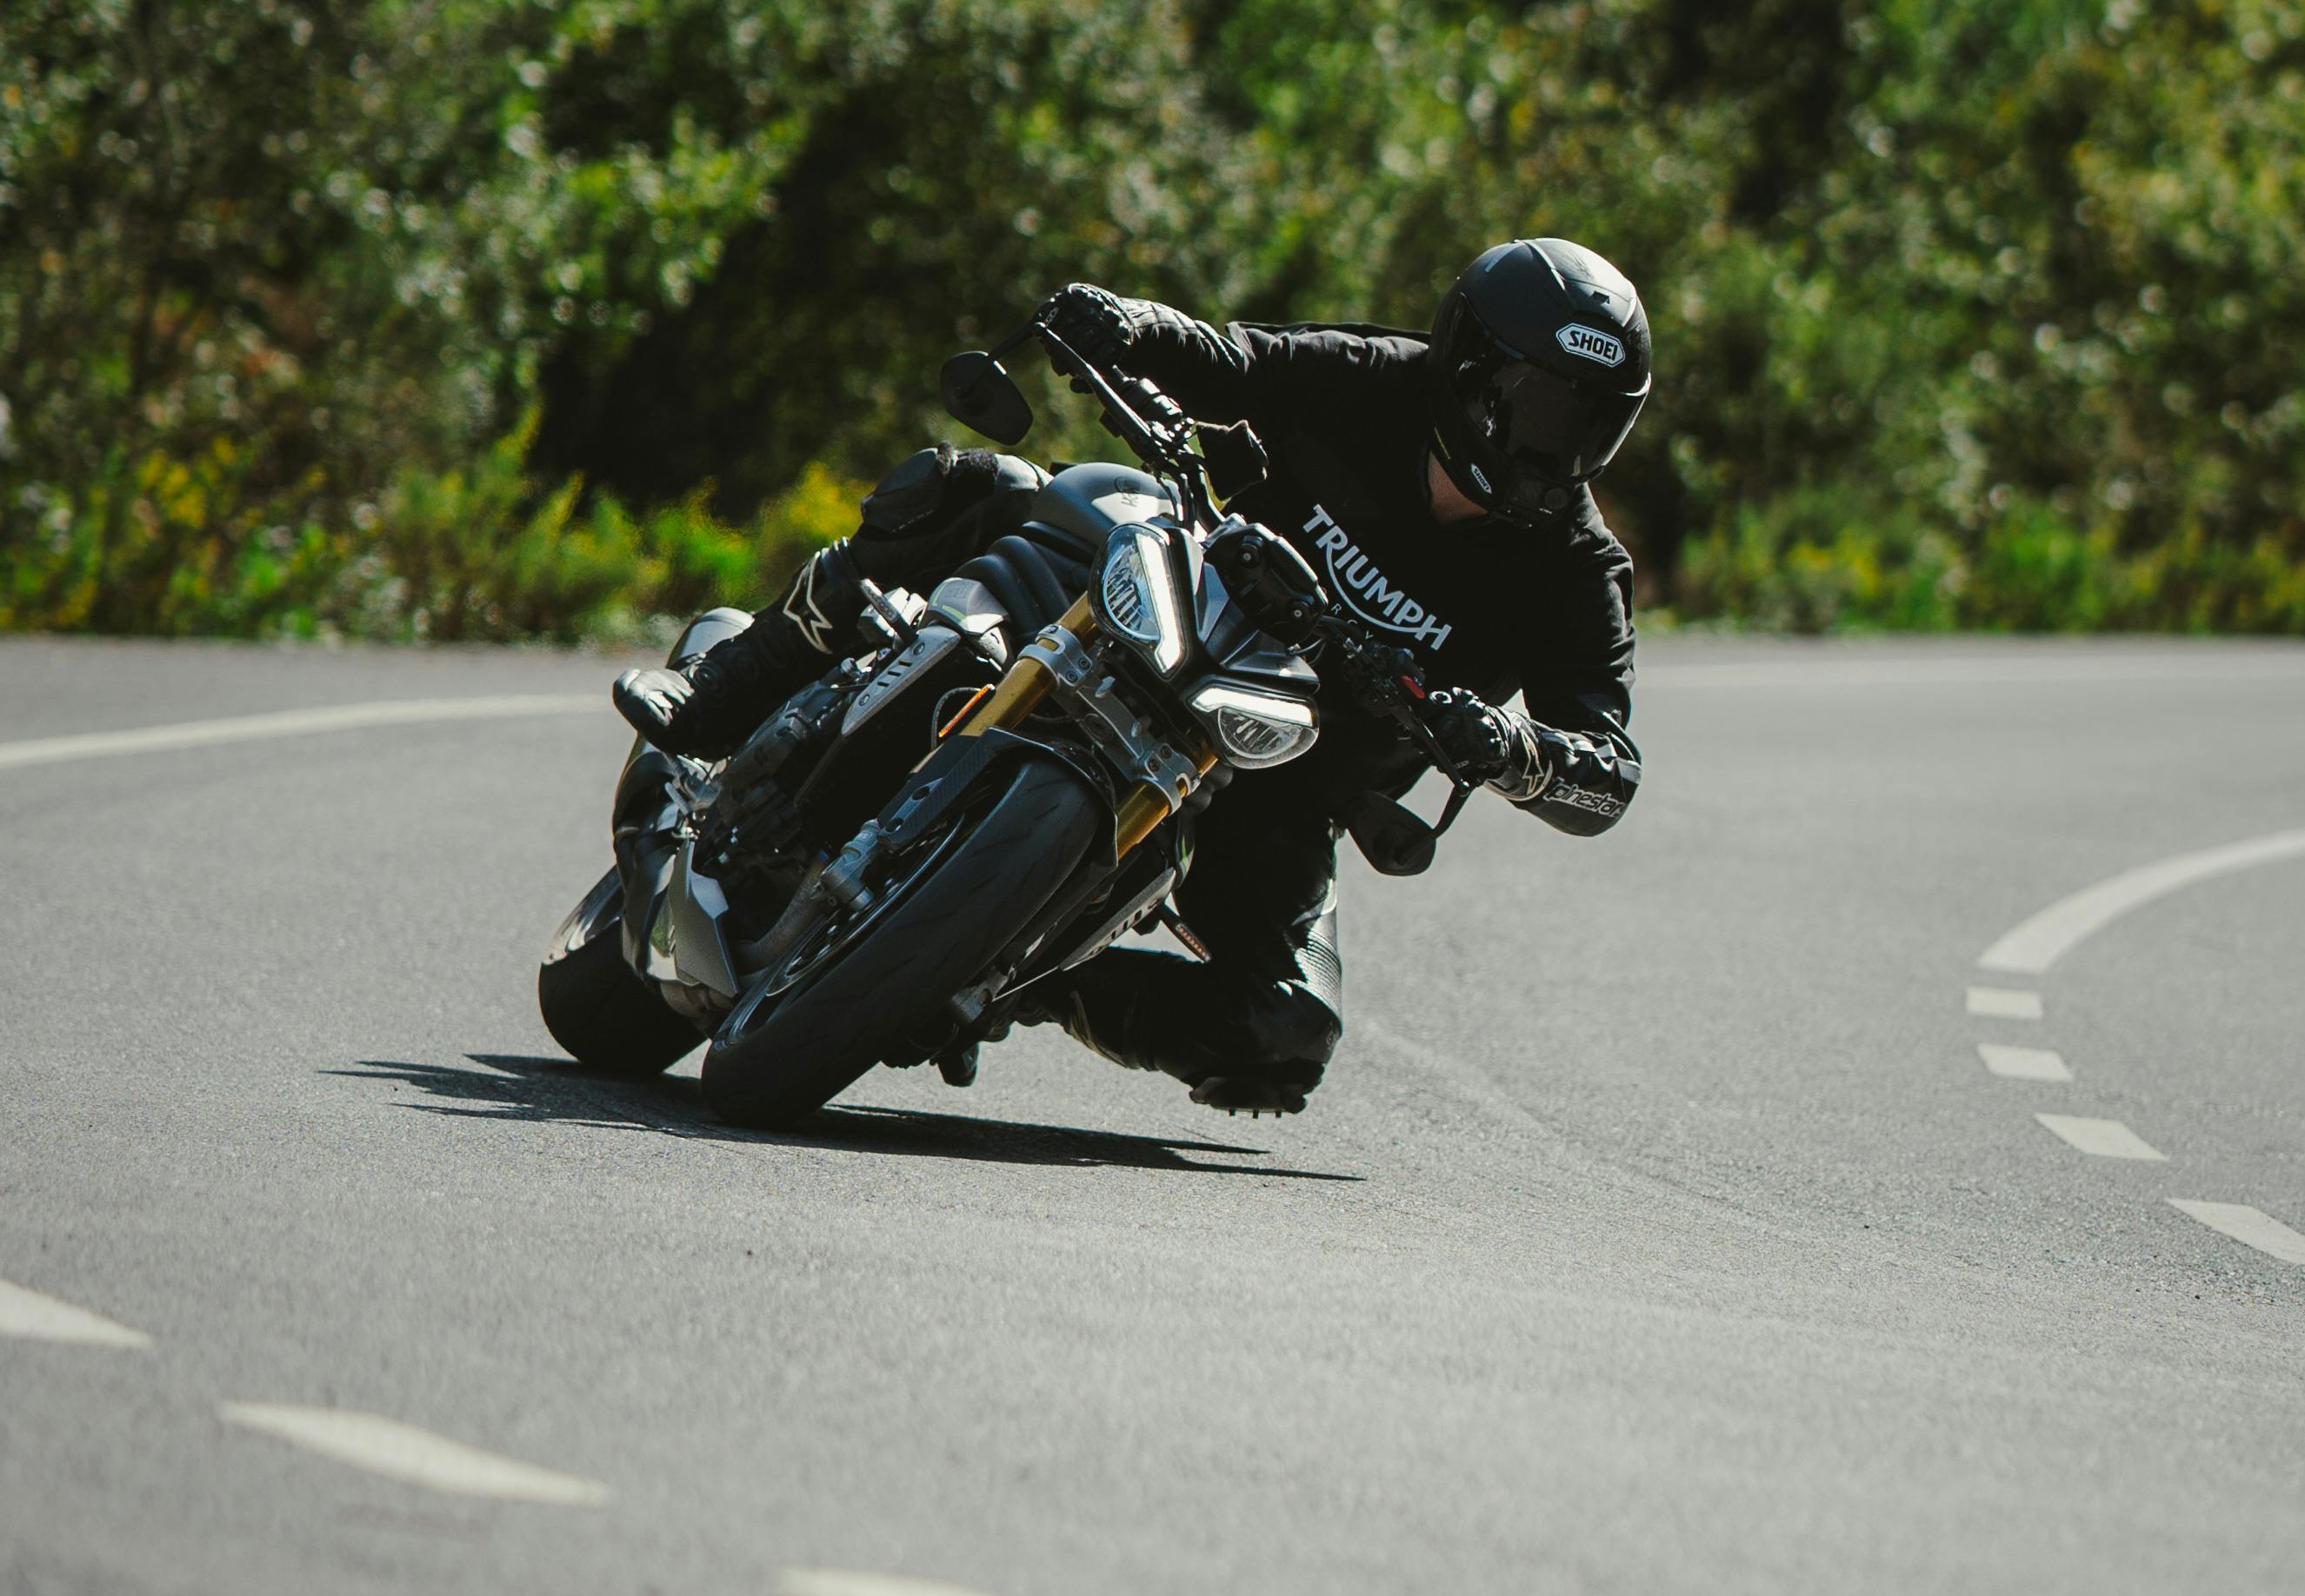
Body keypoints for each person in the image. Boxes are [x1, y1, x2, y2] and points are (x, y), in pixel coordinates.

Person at [615, 238, 1648, 1114]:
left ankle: (1020, 978)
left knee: (1285, 1033)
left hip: (1278, 777)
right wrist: (1123, 324)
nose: (1552, 455)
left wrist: (1516, 751)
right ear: (1466, 371)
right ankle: (726, 687)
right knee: (974, 488)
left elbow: (1607, 766)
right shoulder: (1374, 376)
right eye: (1540, 412)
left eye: (1591, 426)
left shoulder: (1577, 568)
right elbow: (1227, 356)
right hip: (1155, 603)